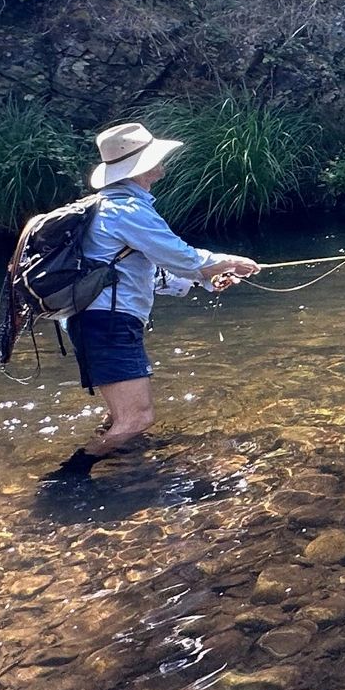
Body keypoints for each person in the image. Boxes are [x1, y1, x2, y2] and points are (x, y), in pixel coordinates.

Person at [57, 120, 261, 475]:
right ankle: (69, 476)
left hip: (95, 321)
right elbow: (180, 257)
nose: (162, 165)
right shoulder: (127, 210)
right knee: (137, 419)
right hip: (107, 324)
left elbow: (139, 272)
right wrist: (228, 262)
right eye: (155, 158)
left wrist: (206, 282)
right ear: (140, 167)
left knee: (122, 416)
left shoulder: (108, 206)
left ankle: (127, 470)